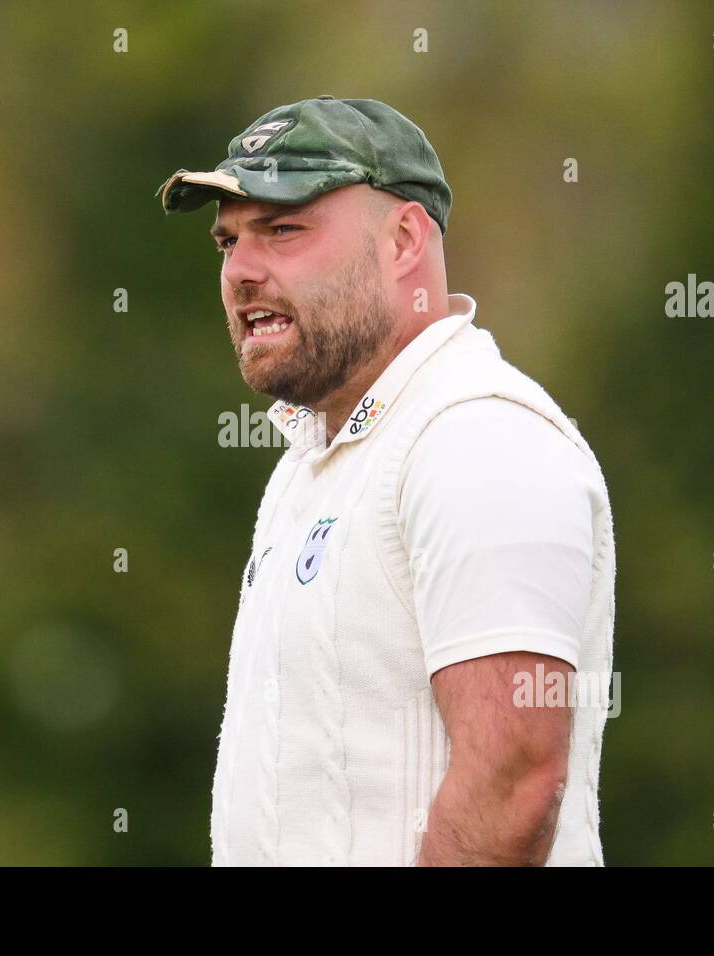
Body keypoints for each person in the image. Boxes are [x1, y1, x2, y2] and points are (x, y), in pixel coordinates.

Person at [156, 95, 616, 866]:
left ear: (404, 239)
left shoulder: (476, 436)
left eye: (283, 229)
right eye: (228, 242)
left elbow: (515, 782)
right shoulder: (313, 461)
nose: (240, 270)